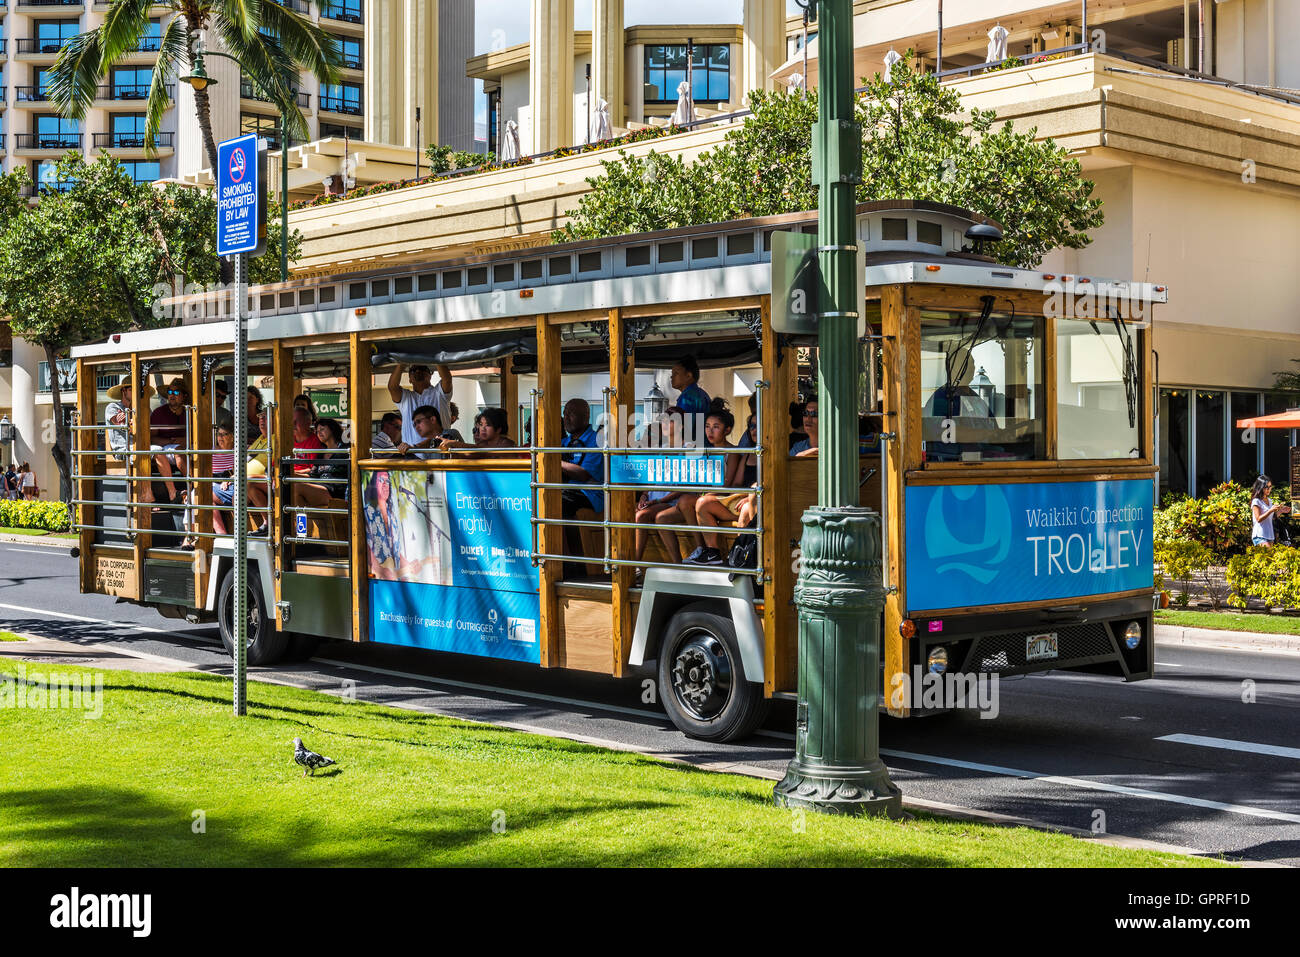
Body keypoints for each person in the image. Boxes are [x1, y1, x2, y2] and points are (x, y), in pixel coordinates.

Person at [634, 409, 689, 564]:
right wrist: (644, 496)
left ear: (681, 426)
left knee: (641, 516)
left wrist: (657, 502)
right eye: (663, 421)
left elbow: (685, 486)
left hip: (672, 501)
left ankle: (634, 565)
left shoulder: (688, 448)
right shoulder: (661, 448)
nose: (664, 424)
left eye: (669, 421)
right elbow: (652, 480)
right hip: (654, 500)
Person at [387, 362, 453, 447]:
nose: (418, 371)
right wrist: (401, 363)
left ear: (430, 375)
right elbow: (392, 387)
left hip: (439, 455)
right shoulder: (406, 398)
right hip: (412, 455)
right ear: (409, 379)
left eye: (422, 368)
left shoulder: (439, 393)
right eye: (413, 370)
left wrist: (435, 356)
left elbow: (447, 379)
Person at [149, 377, 190, 503]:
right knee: (179, 452)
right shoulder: (158, 413)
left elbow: (199, 435)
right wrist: (171, 441)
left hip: (189, 445)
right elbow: (151, 438)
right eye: (170, 392)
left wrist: (185, 440)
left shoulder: (190, 412)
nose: (172, 395)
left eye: (176, 392)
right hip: (167, 448)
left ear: (184, 396)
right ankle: (195, 487)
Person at [294, 418, 349, 508]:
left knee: (297, 487)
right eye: (317, 431)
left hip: (335, 492)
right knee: (291, 485)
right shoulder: (321, 453)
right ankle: (306, 520)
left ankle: (303, 520)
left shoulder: (344, 450)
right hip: (320, 487)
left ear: (332, 429)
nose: (319, 433)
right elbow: (312, 475)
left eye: (322, 429)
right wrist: (293, 475)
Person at [363, 470, 402, 580]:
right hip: (375, 577)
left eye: (387, 481)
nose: (385, 484)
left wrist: (409, 564)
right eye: (381, 480)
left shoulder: (393, 517)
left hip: (394, 579)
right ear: (374, 485)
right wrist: (378, 568)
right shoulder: (367, 512)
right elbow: (364, 543)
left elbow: (395, 551)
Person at [439, 407, 519, 456]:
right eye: (481, 424)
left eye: (488, 425)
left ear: (498, 429)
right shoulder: (482, 444)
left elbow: (480, 450)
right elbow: (471, 455)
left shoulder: (507, 444)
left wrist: (454, 443)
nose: (483, 429)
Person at [105, 375, 148, 461]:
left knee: (160, 450)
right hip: (122, 449)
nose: (136, 392)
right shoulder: (113, 407)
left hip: (140, 446)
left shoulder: (141, 408)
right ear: (123, 391)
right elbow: (119, 422)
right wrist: (128, 423)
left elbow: (148, 424)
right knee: (156, 451)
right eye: (132, 389)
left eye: (137, 390)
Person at [1250, 475, 1290, 547]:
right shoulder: (1256, 501)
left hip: (1270, 536)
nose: (1269, 489)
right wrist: (1270, 510)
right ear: (1260, 487)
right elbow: (1258, 519)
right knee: (1268, 557)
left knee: (1269, 558)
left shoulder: (1269, 501)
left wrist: (1281, 511)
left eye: (1270, 486)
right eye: (1266, 487)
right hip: (1260, 535)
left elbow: (1272, 518)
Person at [290, 406, 325, 475]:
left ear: (308, 423)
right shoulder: (288, 440)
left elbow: (312, 469)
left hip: (304, 479)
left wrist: (294, 473)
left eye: (297, 421)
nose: (293, 424)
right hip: (288, 477)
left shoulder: (315, 441)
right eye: (292, 421)